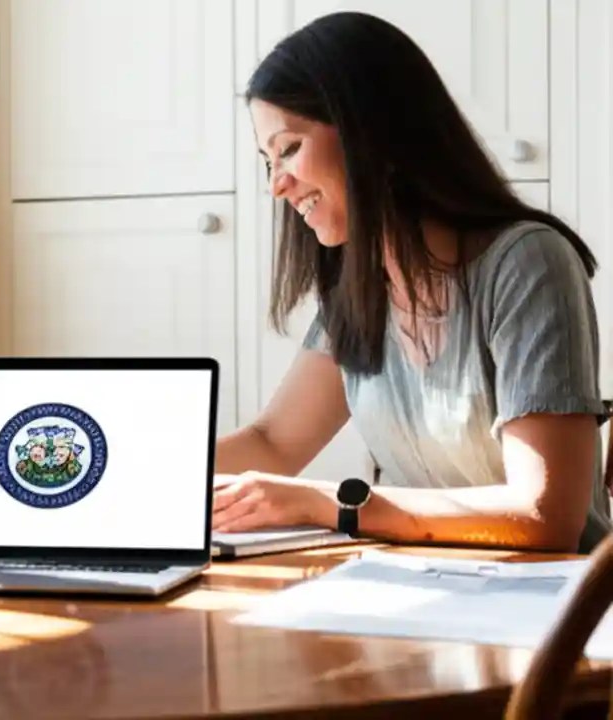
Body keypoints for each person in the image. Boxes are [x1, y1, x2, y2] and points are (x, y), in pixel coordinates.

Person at [213, 11, 610, 553]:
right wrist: (123, 472)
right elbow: (274, 443)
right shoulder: (358, 290)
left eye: (288, 149)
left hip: (550, 608)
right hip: (419, 591)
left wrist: (323, 503)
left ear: (369, 131)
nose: (277, 185)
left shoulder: (526, 262)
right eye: (267, 161)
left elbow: (543, 515)